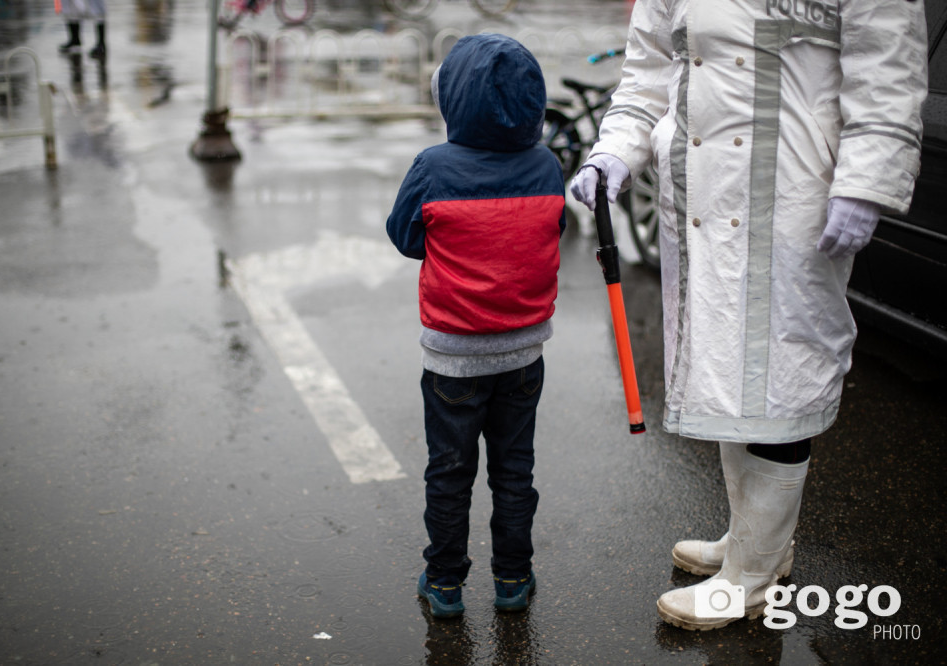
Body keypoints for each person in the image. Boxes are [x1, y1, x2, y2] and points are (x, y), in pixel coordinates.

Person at [570, 0, 927, 630]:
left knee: (777, 373)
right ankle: (754, 544)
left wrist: (866, 181)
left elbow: (887, 66)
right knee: (730, 369)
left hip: (793, 196)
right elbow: (648, 68)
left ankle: (754, 579)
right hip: (700, 200)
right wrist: (616, 151)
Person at [386, 33, 566, 618]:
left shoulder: (434, 168)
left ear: (453, 98)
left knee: (450, 471)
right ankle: (513, 580)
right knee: (515, 470)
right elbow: (550, 236)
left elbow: (406, 236)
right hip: (523, 355)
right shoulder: (546, 166)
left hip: (453, 358)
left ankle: (444, 585)